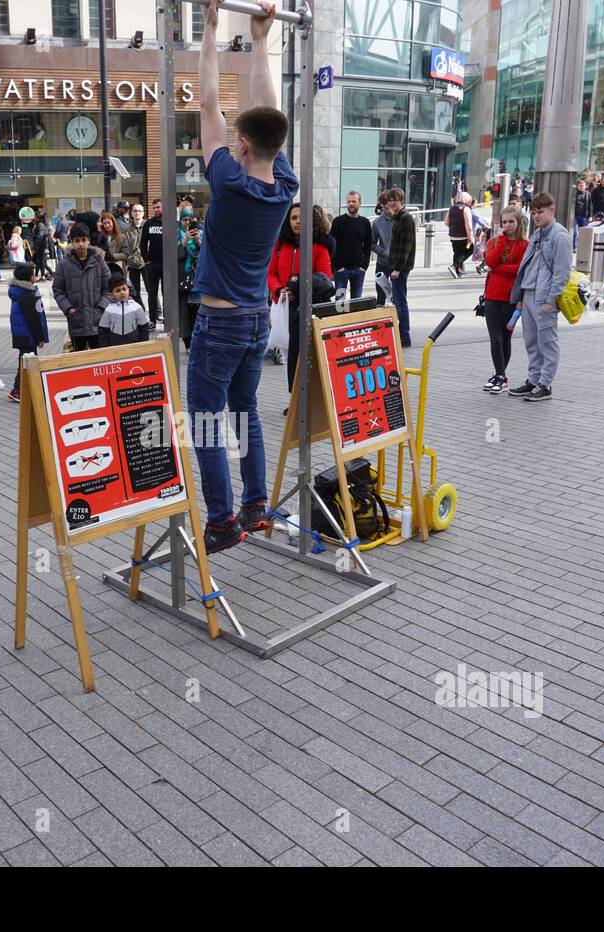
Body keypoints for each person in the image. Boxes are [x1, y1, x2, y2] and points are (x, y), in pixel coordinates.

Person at [186, 0, 298, 554]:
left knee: (206, 420)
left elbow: (208, 102)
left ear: (246, 146)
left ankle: (223, 519)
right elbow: (267, 110)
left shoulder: (228, 180)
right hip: (256, 319)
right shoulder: (285, 184)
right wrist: (260, 39)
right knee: (245, 408)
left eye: (237, 140)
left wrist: (207, 31)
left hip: (220, 323)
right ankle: (255, 503)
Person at [508, 192, 571, 403]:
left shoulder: (559, 236)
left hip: (543, 297)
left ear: (552, 210)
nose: (536, 216)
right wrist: (521, 295)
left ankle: (545, 384)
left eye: (540, 212)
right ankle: (534, 380)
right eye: (534, 212)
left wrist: (550, 300)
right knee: (532, 342)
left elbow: (562, 272)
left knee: (547, 342)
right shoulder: (537, 235)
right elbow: (528, 268)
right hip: (529, 295)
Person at [269, 203, 334, 397]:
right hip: (280, 306)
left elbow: (325, 278)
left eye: (301, 217)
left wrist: (298, 288)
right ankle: (294, 398)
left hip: (305, 308)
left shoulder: (320, 246)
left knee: (302, 355)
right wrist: (280, 289)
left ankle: (304, 399)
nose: (297, 222)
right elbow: (270, 273)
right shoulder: (280, 244)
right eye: (293, 218)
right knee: (287, 353)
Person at [480, 206, 528, 394]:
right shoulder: (495, 241)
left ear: (518, 223)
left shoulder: (525, 244)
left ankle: (500, 376)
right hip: (492, 296)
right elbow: (490, 262)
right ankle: (500, 376)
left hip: (510, 298)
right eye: (505, 222)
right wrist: (500, 241)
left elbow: (519, 270)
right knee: (495, 338)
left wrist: (498, 269)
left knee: (504, 338)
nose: (507, 225)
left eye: (511, 222)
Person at [53, 224, 111, 351]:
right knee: (78, 359)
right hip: (76, 321)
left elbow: (108, 289)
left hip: (98, 320)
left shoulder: (99, 262)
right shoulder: (64, 265)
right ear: (72, 242)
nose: (81, 244)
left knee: (99, 358)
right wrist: (68, 309)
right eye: (77, 240)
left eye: (84, 240)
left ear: (89, 241)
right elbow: (58, 291)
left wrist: (101, 307)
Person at [7, 262, 48, 403]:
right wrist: (40, 337)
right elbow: (34, 319)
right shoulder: (28, 295)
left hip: (21, 333)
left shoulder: (18, 291)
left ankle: (23, 389)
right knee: (26, 364)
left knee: (24, 362)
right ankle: (17, 390)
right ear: (31, 278)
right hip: (28, 335)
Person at [383, 187, 417, 348]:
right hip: (397, 266)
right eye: (390, 200)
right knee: (398, 300)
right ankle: (402, 334)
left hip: (401, 267)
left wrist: (397, 268)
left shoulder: (405, 219)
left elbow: (406, 246)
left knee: (400, 301)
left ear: (402, 201)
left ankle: (404, 336)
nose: (391, 203)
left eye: (395, 200)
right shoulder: (399, 217)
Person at [330, 191, 372, 299]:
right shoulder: (338, 222)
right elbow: (332, 245)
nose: (351, 204)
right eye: (349, 201)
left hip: (359, 270)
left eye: (354, 201)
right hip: (341, 270)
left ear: (360, 203)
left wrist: (364, 266)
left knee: (356, 302)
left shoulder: (365, 222)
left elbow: (368, 246)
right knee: (340, 304)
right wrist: (337, 267)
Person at [99, 274, 151, 346]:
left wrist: (143, 345)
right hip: (114, 346)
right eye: (117, 290)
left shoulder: (136, 307)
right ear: (112, 294)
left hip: (133, 345)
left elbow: (144, 328)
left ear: (128, 290)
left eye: (124, 289)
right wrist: (105, 348)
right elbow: (103, 331)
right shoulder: (109, 310)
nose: (122, 292)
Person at [177, 218, 203, 346]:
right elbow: (171, 255)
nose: (188, 223)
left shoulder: (202, 233)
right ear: (180, 220)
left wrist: (198, 241)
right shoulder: (176, 233)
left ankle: (197, 341)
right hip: (182, 278)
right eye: (184, 219)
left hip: (198, 278)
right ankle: (188, 342)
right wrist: (185, 240)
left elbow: (207, 253)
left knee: (197, 311)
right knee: (184, 313)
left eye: (190, 219)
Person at [139, 199, 165, 319]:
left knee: (167, 294)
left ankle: (168, 319)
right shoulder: (148, 224)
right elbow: (143, 243)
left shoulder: (171, 223)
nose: (156, 209)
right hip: (152, 264)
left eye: (158, 207)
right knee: (152, 293)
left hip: (167, 264)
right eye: (154, 207)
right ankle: (152, 320)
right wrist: (146, 260)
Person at [446, 192, 473, 278]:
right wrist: (470, 237)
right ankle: (454, 266)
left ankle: (457, 272)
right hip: (463, 236)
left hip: (453, 235)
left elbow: (446, 222)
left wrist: (453, 227)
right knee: (469, 250)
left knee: (457, 252)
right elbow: (468, 225)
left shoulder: (451, 208)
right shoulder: (466, 209)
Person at [371, 200, 392, 306]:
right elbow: (372, 243)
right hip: (382, 263)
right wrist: (384, 252)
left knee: (397, 296)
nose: (388, 205)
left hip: (398, 263)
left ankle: (397, 318)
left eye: (390, 202)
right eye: (385, 203)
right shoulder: (377, 222)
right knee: (380, 294)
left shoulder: (401, 220)